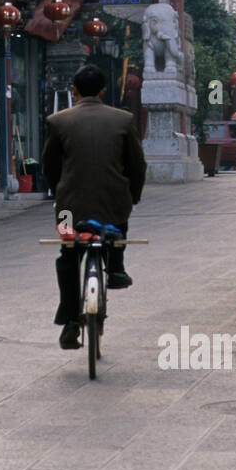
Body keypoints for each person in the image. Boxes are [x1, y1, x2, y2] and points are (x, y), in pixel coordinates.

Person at [42, 64, 146, 350]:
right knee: (116, 229)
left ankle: (70, 320)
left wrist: (58, 192)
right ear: (103, 90)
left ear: (74, 90)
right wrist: (132, 197)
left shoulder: (57, 121)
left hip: (67, 209)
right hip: (114, 203)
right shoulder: (123, 120)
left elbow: (49, 166)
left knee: (67, 253)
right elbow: (137, 165)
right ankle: (115, 268)